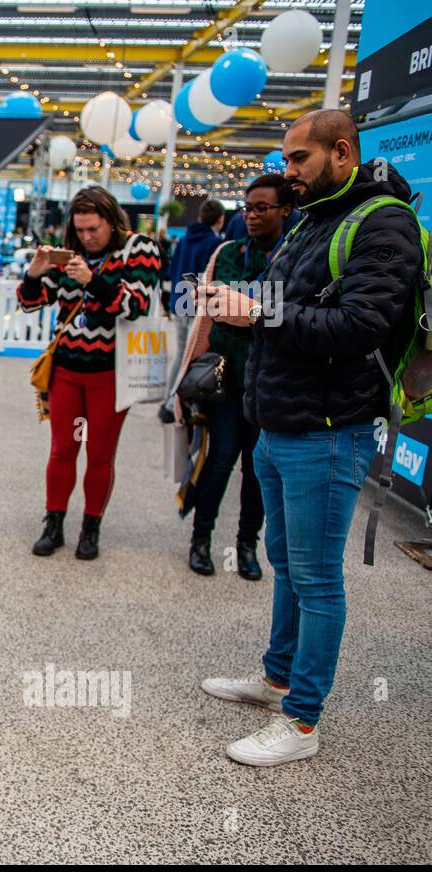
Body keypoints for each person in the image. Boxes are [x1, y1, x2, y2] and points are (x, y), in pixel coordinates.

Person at [199, 109, 422, 766]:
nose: (287, 171)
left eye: (298, 158)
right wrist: (237, 302)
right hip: (279, 422)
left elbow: (360, 326)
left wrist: (259, 310)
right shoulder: (314, 218)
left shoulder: (385, 222)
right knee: (289, 563)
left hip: (329, 430)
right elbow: (288, 306)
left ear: (342, 153)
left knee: (319, 577)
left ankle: (302, 720)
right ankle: (276, 677)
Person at [20, 186, 162, 560]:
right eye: (80, 230)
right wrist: (34, 274)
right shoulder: (70, 254)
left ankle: (91, 526)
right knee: (62, 449)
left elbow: (135, 305)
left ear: (112, 222)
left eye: (94, 229)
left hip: (111, 373)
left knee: (99, 454)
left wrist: (92, 281)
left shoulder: (139, 248)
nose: (86, 237)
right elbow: (30, 302)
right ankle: (53, 524)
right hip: (66, 368)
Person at [174, 175, 295, 580]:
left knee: (258, 471)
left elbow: (287, 318)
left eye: (263, 208)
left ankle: (247, 546)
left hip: (270, 384)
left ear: (285, 211)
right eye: (248, 208)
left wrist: (252, 311)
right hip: (225, 381)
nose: (253, 215)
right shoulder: (227, 253)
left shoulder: (294, 257)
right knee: (219, 461)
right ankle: (201, 540)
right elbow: (207, 312)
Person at [161, 200, 225, 419]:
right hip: (197, 304)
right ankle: (175, 404)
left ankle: (168, 401)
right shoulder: (214, 244)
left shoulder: (184, 240)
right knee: (190, 355)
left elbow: (172, 270)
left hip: (179, 301)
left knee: (180, 353)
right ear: (219, 219)